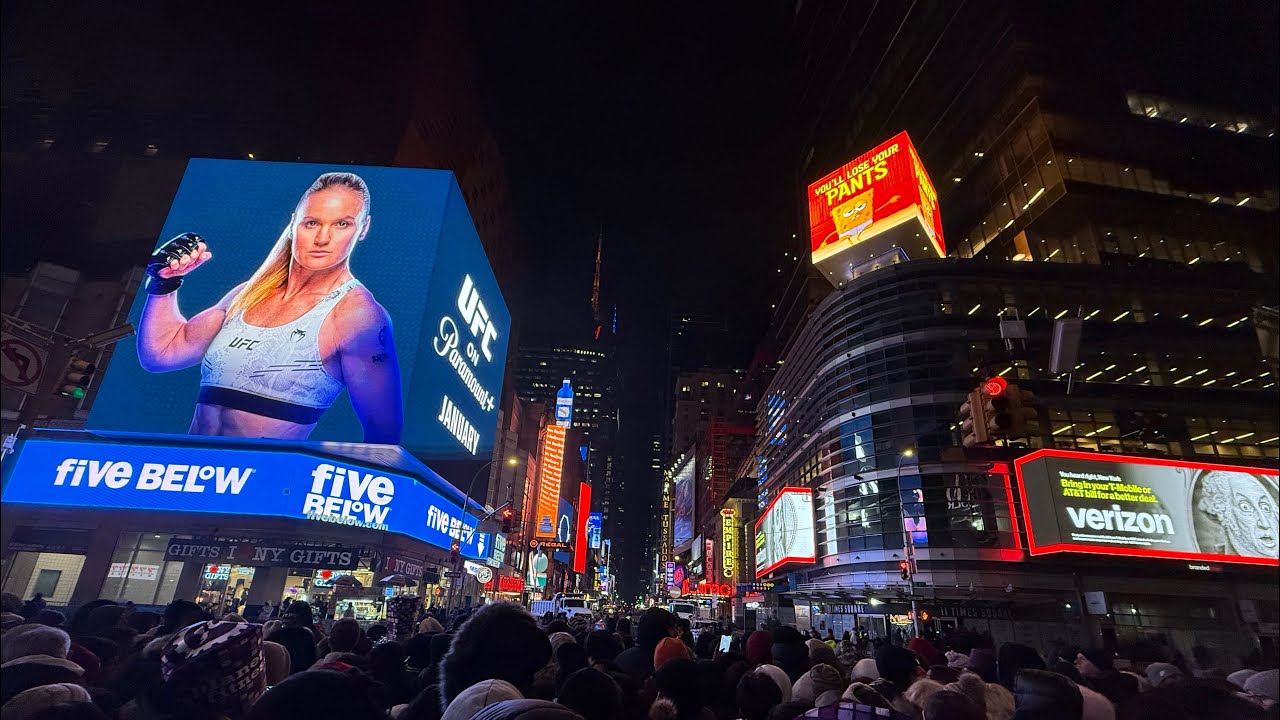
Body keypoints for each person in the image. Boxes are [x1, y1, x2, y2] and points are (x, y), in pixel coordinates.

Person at [135, 171, 403, 444]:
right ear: (293, 223)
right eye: (311, 223)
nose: (323, 238)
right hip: (196, 471)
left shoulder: (357, 315)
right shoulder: (248, 294)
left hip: (264, 480)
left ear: (363, 227)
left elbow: (383, 432)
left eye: (341, 224)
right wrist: (163, 283)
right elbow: (161, 354)